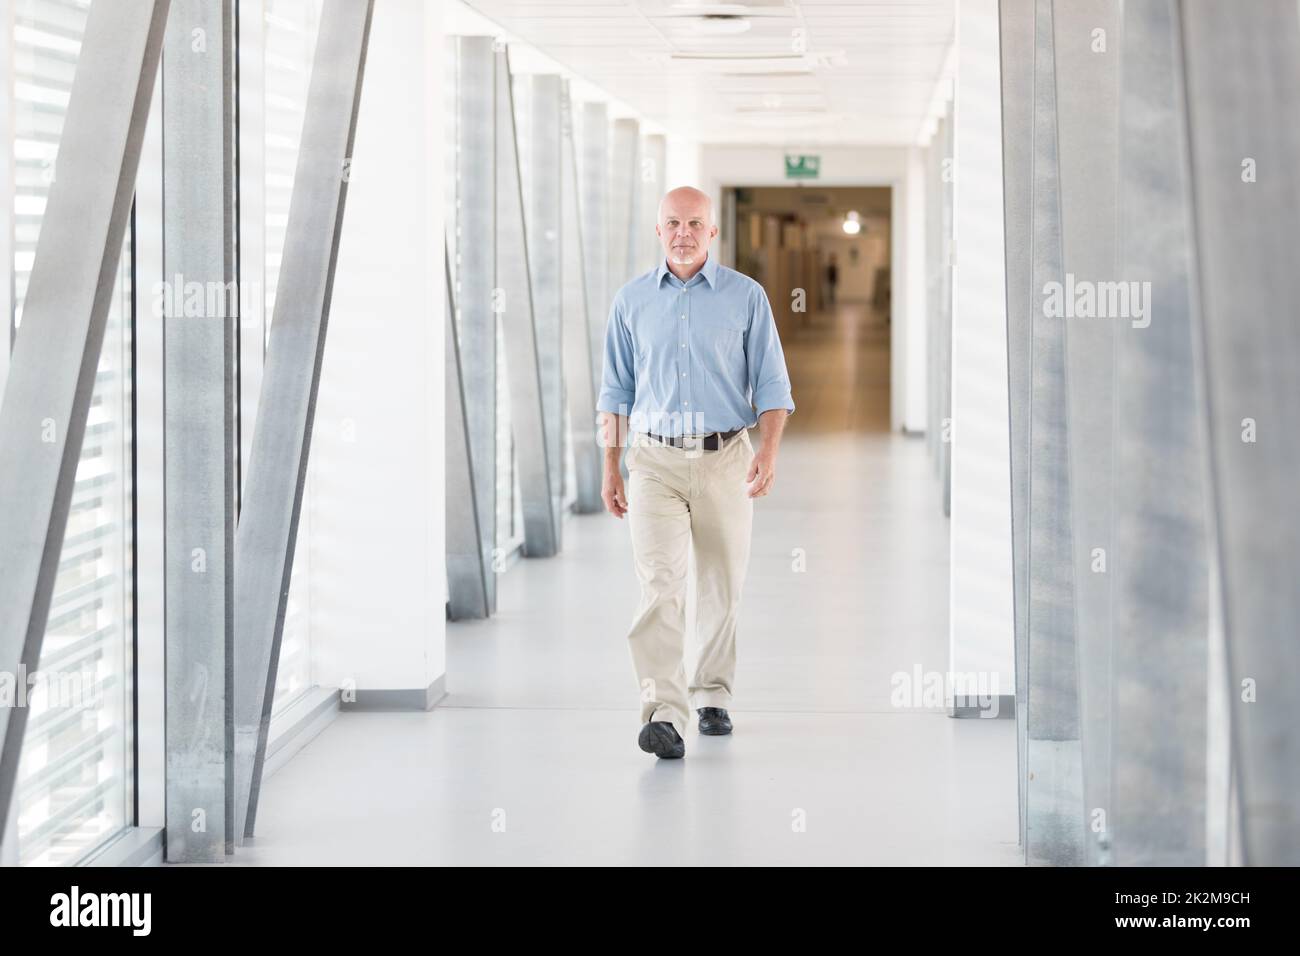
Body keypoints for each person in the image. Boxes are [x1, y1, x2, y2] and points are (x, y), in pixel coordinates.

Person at [595, 186, 795, 759]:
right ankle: (662, 711)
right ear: (659, 231)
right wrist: (611, 463)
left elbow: (774, 387)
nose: (683, 233)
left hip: (725, 457)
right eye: (673, 223)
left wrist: (769, 451)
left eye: (694, 223)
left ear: (713, 233)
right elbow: (614, 394)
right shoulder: (630, 302)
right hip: (652, 460)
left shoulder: (747, 298)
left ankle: (712, 695)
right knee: (660, 585)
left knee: (720, 584)